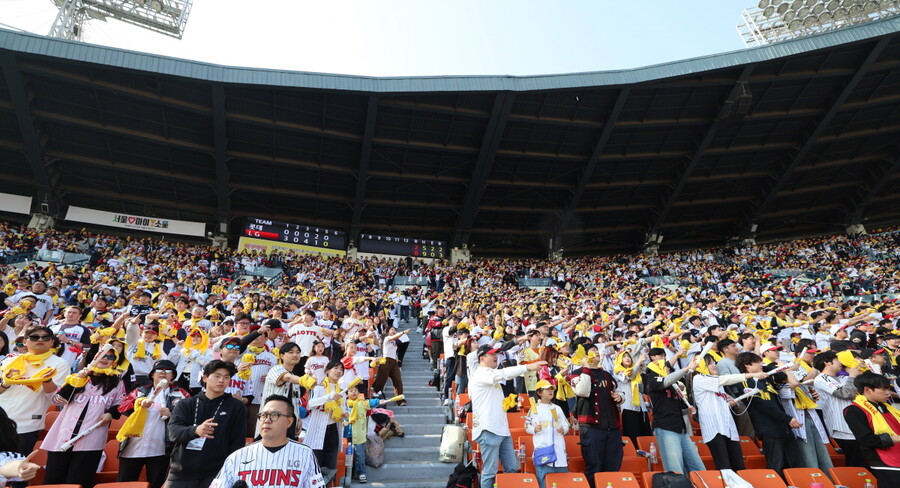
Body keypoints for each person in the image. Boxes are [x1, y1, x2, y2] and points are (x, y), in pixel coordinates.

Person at [42, 347, 125, 488]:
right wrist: (77, 379)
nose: (106, 358)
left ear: (114, 362)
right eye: (103, 355)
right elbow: (58, 400)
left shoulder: (117, 382)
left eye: (111, 357)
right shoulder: (77, 377)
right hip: (63, 435)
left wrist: (111, 413)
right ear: (94, 357)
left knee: (79, 480)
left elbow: (120, 404)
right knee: (54, 479)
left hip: (91, 437)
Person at [470, 343, 546, 488]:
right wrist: (527, 367)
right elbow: (504, 373)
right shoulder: (481, 373)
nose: (496, 357)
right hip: (488, 429)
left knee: (512, 468)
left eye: (496, 354)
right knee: (490, 472)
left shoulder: (490, 375)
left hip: (502, 430)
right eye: (492, 354)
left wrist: (504, 403)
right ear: (482, 358)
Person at [208, 395, 324, 488]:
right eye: (263, 415)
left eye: (274, 415)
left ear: (289, 421)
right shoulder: (237, 457)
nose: (267, 420)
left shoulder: (305, 454)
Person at [166, 360, 247, 488]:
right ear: (205, 378)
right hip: (181, 472)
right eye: (217, 376)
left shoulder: (236, 407)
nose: (221, 380)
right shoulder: (186, 404)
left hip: (216, 474)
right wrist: (196, 430)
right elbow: (173, 433)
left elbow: (237, 443)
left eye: (226, 377)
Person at [118, 359, 190, 488]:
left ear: (173, 375)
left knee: (156, 484)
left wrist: (172, 414)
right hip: (132, 447)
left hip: (161, 450)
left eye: (168, 371)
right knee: (125, 484)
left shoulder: (181, 394)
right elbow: (121, 408)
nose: (163, 373)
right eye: (159, 370)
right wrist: (138, 403)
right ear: (152, 374)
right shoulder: (140, 391)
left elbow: (190, 416)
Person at [0, 324, 69, 456]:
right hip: (2, 418)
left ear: (52, 342)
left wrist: (47, 380)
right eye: (34, 337)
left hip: (26, 424)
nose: (40, 340)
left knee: (16, 465)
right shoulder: (10, 361)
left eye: (45, 337)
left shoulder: (59, 364)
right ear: (25, 341)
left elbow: (55, 398)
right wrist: (6, 383)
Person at [692, 353, 767, 470]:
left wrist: (728, 400)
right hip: (714, 429)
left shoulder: (715, 380)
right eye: (710, 363)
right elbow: (725, 379)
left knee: (739, 465)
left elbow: (718, 397)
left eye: (714, 362)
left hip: (728, 427)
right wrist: (751, 375)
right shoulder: (699, 378)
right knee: (724, 466)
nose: (714, 365)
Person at [736, 351, 801, 474]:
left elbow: (780, 374)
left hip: (782, 426)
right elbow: (762, 405)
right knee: (776, 464)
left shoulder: (764, 378)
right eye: (757, 362)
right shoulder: (744, 382)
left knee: (793, 463)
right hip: (768, 428)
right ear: (747, 365)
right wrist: (787, 419)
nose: (761, 365)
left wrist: (769, 369)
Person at [645, 347, 705, 475]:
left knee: (698, 467)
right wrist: (686, 368)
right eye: (665, 367)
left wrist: (687, 410)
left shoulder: (674, 386)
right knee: (675, 469)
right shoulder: (653, 381)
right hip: (666, 428)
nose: (669, 369)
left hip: (680, 428)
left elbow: (675, 406)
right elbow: (667, 380)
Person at [571, 343, 623, 488]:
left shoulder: (606, 374)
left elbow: (618, 390)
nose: (597, 353)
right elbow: (582, 391)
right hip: (591, 426)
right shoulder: (577, 373)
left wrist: (620, 397)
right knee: (595, 465)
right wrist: (586, 368)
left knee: (613, 465)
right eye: (593, 351)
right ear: (585, 355)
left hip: (612, 425)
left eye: (597, 350)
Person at [844, 371, 900, 486]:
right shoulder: (854, 410)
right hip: (885, 461)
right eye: (884, 389)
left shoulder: (887, 407)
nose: (888, 393)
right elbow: (866, 439)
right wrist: (896, 438)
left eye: (888, 389)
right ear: (867, 389)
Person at [813, 350, 865, 467]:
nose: (840, 363)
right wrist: (852, 376)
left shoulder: (842, 379)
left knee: (860, 460)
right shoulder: (821, 378)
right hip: (840, 427)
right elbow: (845, 393)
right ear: (827, 363)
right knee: (854, 461)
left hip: (853, 424)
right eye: (837, 360)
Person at [304, 359, 347, 485]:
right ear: (327, 370)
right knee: (316, 466)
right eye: (335, 368)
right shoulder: (318, 387)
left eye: (341, 369)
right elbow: (310, 404)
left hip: (333, 430)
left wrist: (344, 414)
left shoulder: (342, 391)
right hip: (317, 430)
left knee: (330, 467)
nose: (338, 371)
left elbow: (342, 409)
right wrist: (328, 397)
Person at [525, 380, 569, 488]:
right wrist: (534, 429)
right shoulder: (534, 409)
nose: (551, 391)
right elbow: (527, 427)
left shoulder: (557, 408)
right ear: (539, 392)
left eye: (552, 389)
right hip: (543, 452)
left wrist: (563, 429)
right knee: (544, 482)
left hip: (559, 452)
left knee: (562, 482)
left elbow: (566, 425)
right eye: (547, 389)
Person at [344, 382, 386, 483]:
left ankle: (361, 473)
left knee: (359, 454)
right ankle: (347, 474)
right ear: (347, 394)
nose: (353, 392)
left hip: (359, 433)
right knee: (347, 455)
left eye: (355, 390)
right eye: (351, 391)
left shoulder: (362, 403)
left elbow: (370, 403)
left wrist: (379, 401)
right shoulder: (343, 405)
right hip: (346, 434)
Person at [371, 326, 409, 405]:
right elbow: (394, 337)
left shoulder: (395, 342)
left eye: (395, 330)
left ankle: (400, 399)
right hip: (386, 361)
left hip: (393, 362)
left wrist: (396, 358)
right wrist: (403, 332)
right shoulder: (387, 338)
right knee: (381, 379)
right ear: (388, 332)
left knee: (398, 380)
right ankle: (375, 394)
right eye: (392, 329)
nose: (394, 331)